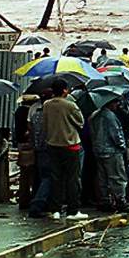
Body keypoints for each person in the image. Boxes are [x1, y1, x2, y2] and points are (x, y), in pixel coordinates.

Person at [44, 79, 87, 220]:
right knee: (72, 179)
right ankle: (72, 210)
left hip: (52, 145)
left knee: (55, 178)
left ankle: (55, 210)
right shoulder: (70, 105)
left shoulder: (47, 105)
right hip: (70, 146)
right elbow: (80, 122)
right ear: (64, 90)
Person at [89, 98, 128, 211]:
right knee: (117, 176)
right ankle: (121, 200)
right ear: (111, 103)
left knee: (103, 178)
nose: (117, 105)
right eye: (116, 102)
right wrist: (122, 147)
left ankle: (104, 200)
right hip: (112, 151)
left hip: (98, 150)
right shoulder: (110, 116)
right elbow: (116, 135)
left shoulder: (94, 115)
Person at [27, 89, 54, 217]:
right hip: (48, 149)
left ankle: (39, 202)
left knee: (40, 176)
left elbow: (31, 131)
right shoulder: (49, 116)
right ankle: (37, 204)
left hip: (38, 149)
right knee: (48, 178)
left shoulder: (35, 115)